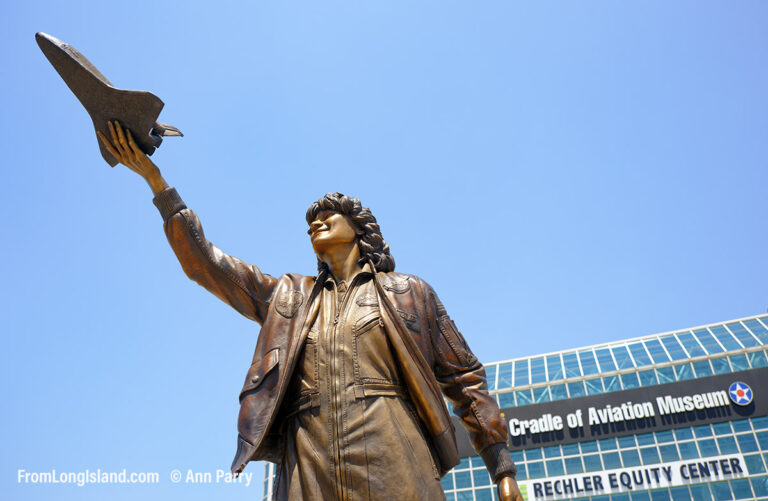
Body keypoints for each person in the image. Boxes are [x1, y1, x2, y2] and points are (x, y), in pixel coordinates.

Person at [98, 121, 523, 500]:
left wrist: (501, 466)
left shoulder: (410, 292)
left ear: (359, 229)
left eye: (329, 216)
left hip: (393, 452)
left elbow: (464, 378)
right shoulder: (289, 298)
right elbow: (207, 265)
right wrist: (157, 183)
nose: (316, 223)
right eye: (311, 223)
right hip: (308, 461)